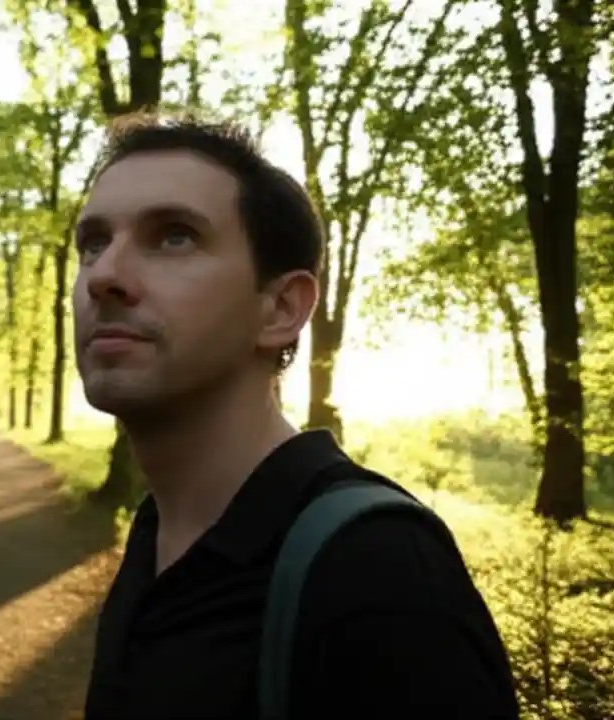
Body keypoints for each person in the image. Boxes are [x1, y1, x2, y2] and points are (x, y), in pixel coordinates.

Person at [72, 116, 519, 719]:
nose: (103, 275)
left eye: (174, 237)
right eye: (93, 244)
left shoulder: (380, 576)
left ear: (281, 308)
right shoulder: (155, 536)